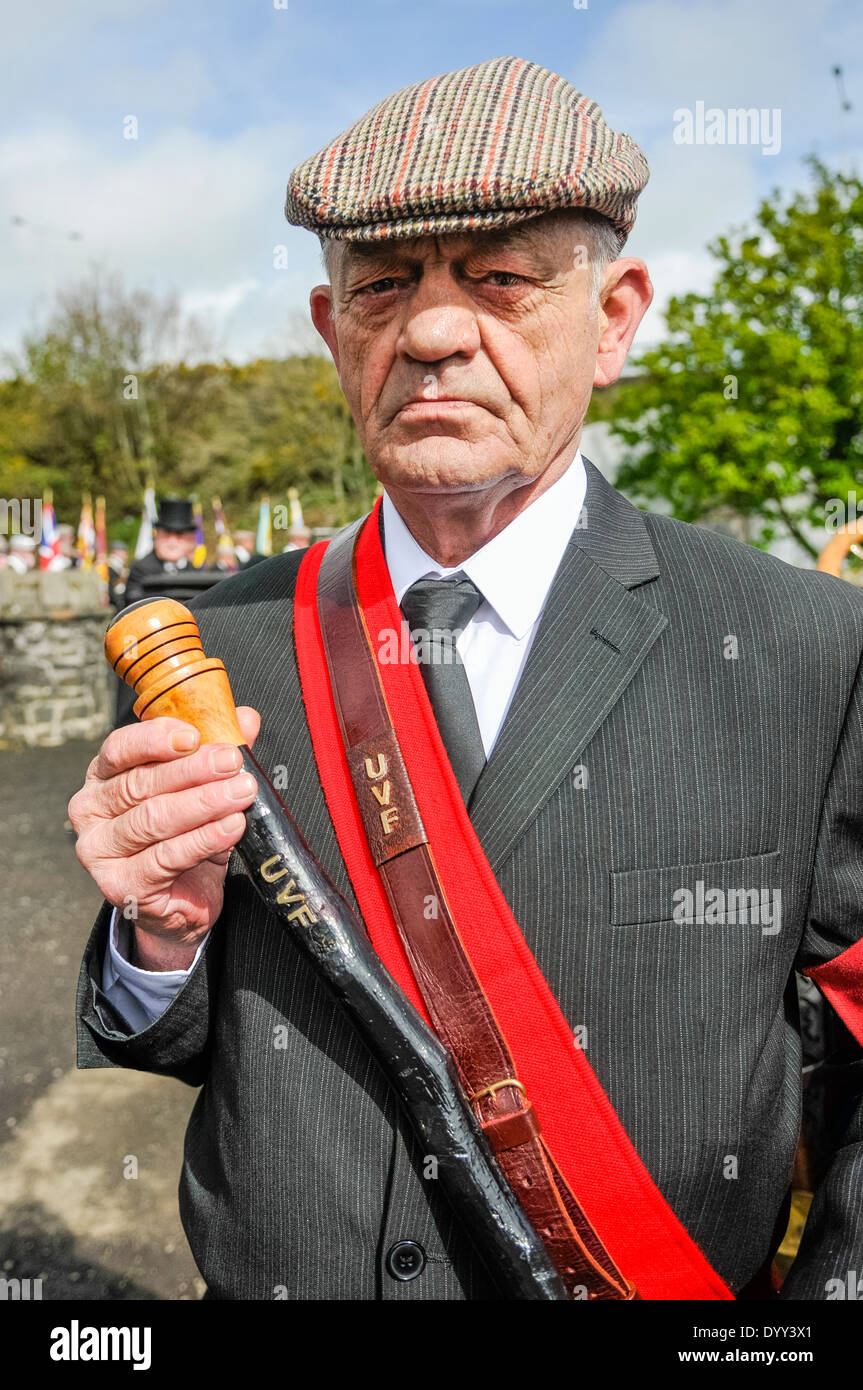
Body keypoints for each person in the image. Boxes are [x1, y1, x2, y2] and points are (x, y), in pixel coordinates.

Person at [69, 56, 863, 1301]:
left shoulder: (811, 650)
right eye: (382, 285)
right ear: (335, 334)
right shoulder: (205, 648)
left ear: (612, 318)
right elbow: (158, 1033)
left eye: (499, 277)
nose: (432, 332)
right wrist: (154, 939)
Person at [122, 499, 199, 608]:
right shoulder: (140, 570)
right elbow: (134, 605)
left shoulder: (194, 571)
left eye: (179, 534)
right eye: (167, 533)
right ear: (156, 535)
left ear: (191, 540)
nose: (172, 541)